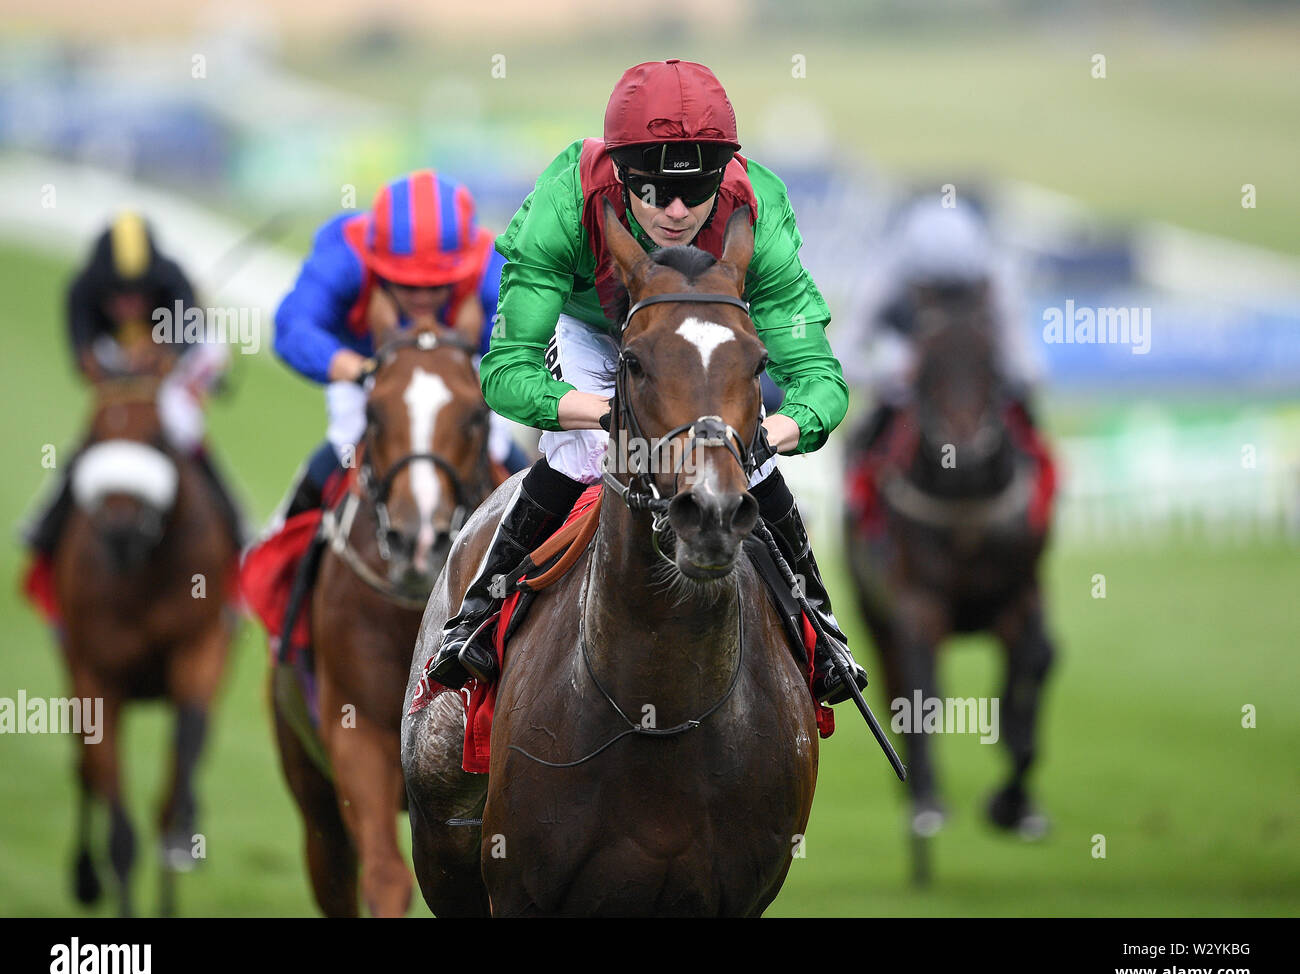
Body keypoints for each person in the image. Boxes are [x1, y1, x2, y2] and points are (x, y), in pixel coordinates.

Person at [429, 59, 865, 705]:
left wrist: (770, 432)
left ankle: (819, 626)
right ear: (622, 176)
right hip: (595, 331)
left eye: (698, 192)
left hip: (700, 339)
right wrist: (610, 414)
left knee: (754, 468)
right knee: (581, 452)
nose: (678, 211)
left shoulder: (758, 211)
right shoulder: (566, 199)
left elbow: (820, 379)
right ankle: (478, 614)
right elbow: (507, 371)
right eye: (656, 192)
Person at [272, 169, 526, 523]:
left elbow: (531, 346)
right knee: (344, 444)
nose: (422, 296)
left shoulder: (494, 267)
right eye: (406, 285)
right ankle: (280, 548)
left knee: (505, 455)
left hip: (460, 385)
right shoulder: (345, 251)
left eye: (438, 286)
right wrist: (359, 371)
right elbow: (291, 327)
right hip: (371, 377)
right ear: (378, 265)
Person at [22, 211, 243, 559]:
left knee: (186, 434)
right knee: (92, 437)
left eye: (138, 296)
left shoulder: (174, 283)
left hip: (166, 383)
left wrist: (162, 358)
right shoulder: (81, 291)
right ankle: (48, 522)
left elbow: (194, 347)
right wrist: (118, 366)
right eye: (118, 297)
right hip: (114, 382)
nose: (128, 305)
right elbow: (83, 361)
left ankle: (235, 521)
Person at [845, 197, 1043, 447]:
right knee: (871, 420)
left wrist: (999, 372)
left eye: (956, 292)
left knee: (1021, 409)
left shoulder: (996, 277)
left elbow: (1029, 370)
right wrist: (894, 372)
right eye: (932, 291)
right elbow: (842, 361)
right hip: (903, 365)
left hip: (977, 368)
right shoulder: (881, 281)